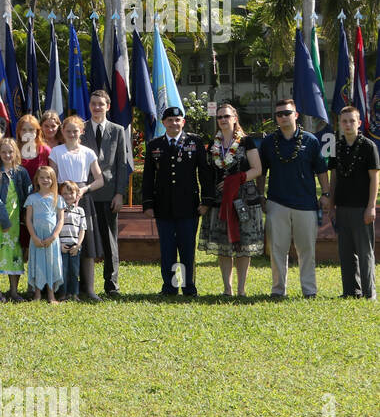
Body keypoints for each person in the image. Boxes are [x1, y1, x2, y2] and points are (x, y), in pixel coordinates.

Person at [259, 98, 330, 299]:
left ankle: (309, 290)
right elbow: (262, 172)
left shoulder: (310, 140)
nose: (283, 117)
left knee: (306, 249)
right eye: (279, 114)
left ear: (296, 115)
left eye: (287, 113)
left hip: (306, 204)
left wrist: (325, 193)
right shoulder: (268, 143)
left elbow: (321, 170)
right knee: (277, 249)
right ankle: (278, 289)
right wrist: (260, 195)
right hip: (276, 202)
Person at [141, 106, 209, 297]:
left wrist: (206, 201)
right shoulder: (155, 145)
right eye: (169, 120)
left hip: (189, 206)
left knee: (187, 249)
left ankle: (189, 287)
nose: (174, 123)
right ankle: (170, 287)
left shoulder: (195, 142)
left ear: (183, 122)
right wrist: (148, 204)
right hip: (164, 207)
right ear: (164, 123)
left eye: (177, 120)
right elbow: (148, 177)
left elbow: (204, 173)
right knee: (168, 250)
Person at [198, 102, 264, 296]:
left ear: (235, 118)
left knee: (243, 246)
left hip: (244, 199)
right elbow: (209, 173)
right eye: (220, 117)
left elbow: (257, 170)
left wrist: (235, 180)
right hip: (220, 202)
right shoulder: (213, 145)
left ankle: (241, 289)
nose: (223, 120)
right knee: (223, 246)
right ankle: (227, 289)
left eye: (226, 116)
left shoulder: (246, 142)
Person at [49, 114, 105, 301]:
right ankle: (62, 288)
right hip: (61, 198)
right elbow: (52, 177)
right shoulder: (56, 152)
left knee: (86, 244)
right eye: (68, 131)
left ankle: (88, 289)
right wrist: (59, 196)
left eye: (75, 131)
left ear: (81, 132)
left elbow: (99, 180)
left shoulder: (88, 152)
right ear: (62, 132)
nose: (72, 134)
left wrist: (85, 189)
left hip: (83, 199)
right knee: (61, 241)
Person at [86, 89, 133, 297]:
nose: (97, 107)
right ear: (89, 105)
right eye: (94, 103)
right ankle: (84, 284)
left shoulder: (118, 130)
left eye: (101, 104)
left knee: (110, 240)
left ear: (108, 106)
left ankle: (111, 285)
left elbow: (121, 165)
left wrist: (119, 194)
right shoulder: (81, 129)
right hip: (84, 194)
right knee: (84, 240)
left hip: (108, 194)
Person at [328, 105, 378, 299]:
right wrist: (331, 204)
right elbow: (334, 177)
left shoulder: (368, 146)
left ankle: (368, 293)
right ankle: (350, 291)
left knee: (365, 252)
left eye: (352, 121)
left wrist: (371, 206)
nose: (348, 124)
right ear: (340, 124)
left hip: (362, 207)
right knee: (346, 252)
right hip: (342, 206)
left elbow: (375, 178)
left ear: (359, 123)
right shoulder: (337, 147)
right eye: (344, 121)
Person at [0, 138, 31, 302]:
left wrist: (27, 217)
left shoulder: (21, 172)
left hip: (16, 220)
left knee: (15, 254)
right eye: (3, 152)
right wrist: (4, 220)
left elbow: (27, 194)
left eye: (10, 152)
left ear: (16, 153)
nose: (7, 155)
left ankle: (13, 291)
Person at [25, 165, 65, 304]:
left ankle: (51, 295)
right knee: (38, 263)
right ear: (37, 179)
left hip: (51, 238)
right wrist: (34, 237)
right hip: (37, 237)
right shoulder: (32, 198)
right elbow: (28, 220)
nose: (45, 180)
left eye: (48, 177)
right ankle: (37, 294)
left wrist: (54, 236)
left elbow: (60, 219)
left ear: (53, 180)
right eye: (42, 177)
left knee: (51, 263)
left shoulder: (57, 198)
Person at [58, 180, 87, 299]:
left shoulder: (80, 211)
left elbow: (82, 229)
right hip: (62, 246)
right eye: (64, 194)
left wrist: (78, 245)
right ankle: (63, 294)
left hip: (75, 246)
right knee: (63, 271)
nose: (68, 196)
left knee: (74, 271)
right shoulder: (59, 210)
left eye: (71, 193)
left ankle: (74, 293)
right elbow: (55, 228)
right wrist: (59, 244)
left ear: (76, 195)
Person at [17, 113, 51, 183]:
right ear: (19, 132)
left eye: (31, 130)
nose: (27, 133)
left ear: (37, 131)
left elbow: (53, 176)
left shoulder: (45, 150)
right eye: (24, 130)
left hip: (40, 192)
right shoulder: (13, 150)